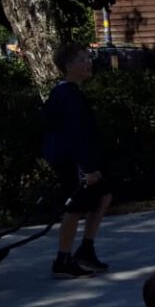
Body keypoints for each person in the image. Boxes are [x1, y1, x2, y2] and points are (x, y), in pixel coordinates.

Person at [42, 42, 113, 278]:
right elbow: (76, 134)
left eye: (88, 58)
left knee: (103, 196)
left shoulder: (70, 93)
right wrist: (88, 168)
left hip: (77, 158)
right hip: (72, 160)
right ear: (68, 65)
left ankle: (86, 249)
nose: (89, 63)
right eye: (83, 59)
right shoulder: (66, 95)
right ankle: (63, 258)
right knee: (75, 207)